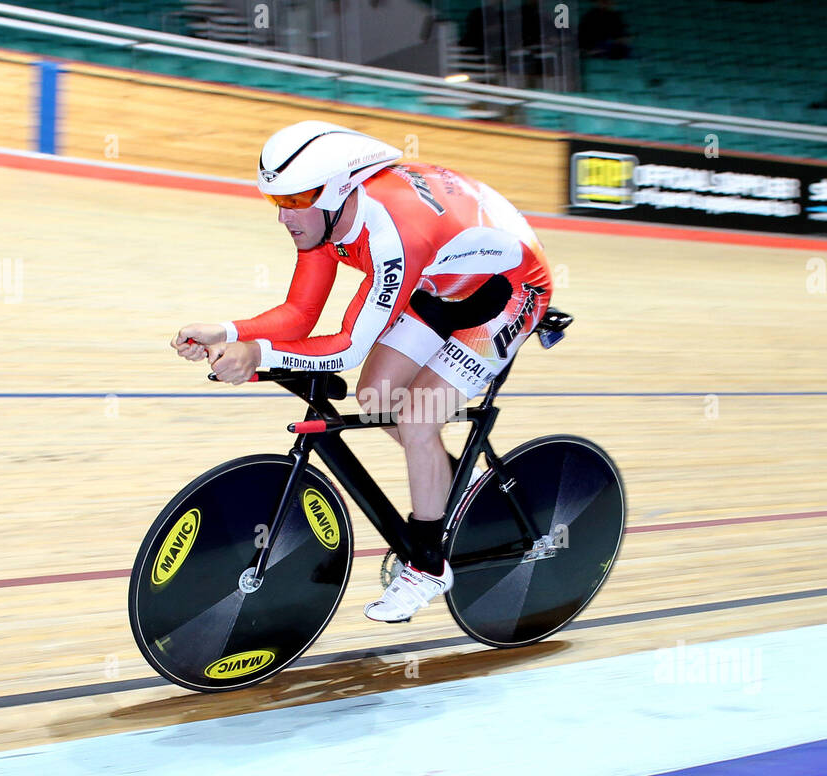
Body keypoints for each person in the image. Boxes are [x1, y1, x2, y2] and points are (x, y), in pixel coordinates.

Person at [170, 121, 553, 623]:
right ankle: (449, 485)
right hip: (443, 282)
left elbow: (349, 347)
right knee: (375, 397)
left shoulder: (394, 233)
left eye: (297, 197)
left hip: (509, 293)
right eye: (275, 201)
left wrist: (258, 355)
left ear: (340, 188)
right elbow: (300, 313)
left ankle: (430, 565)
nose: (285, 216)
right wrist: (226, 330)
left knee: (417, 418)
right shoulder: (323, 221)